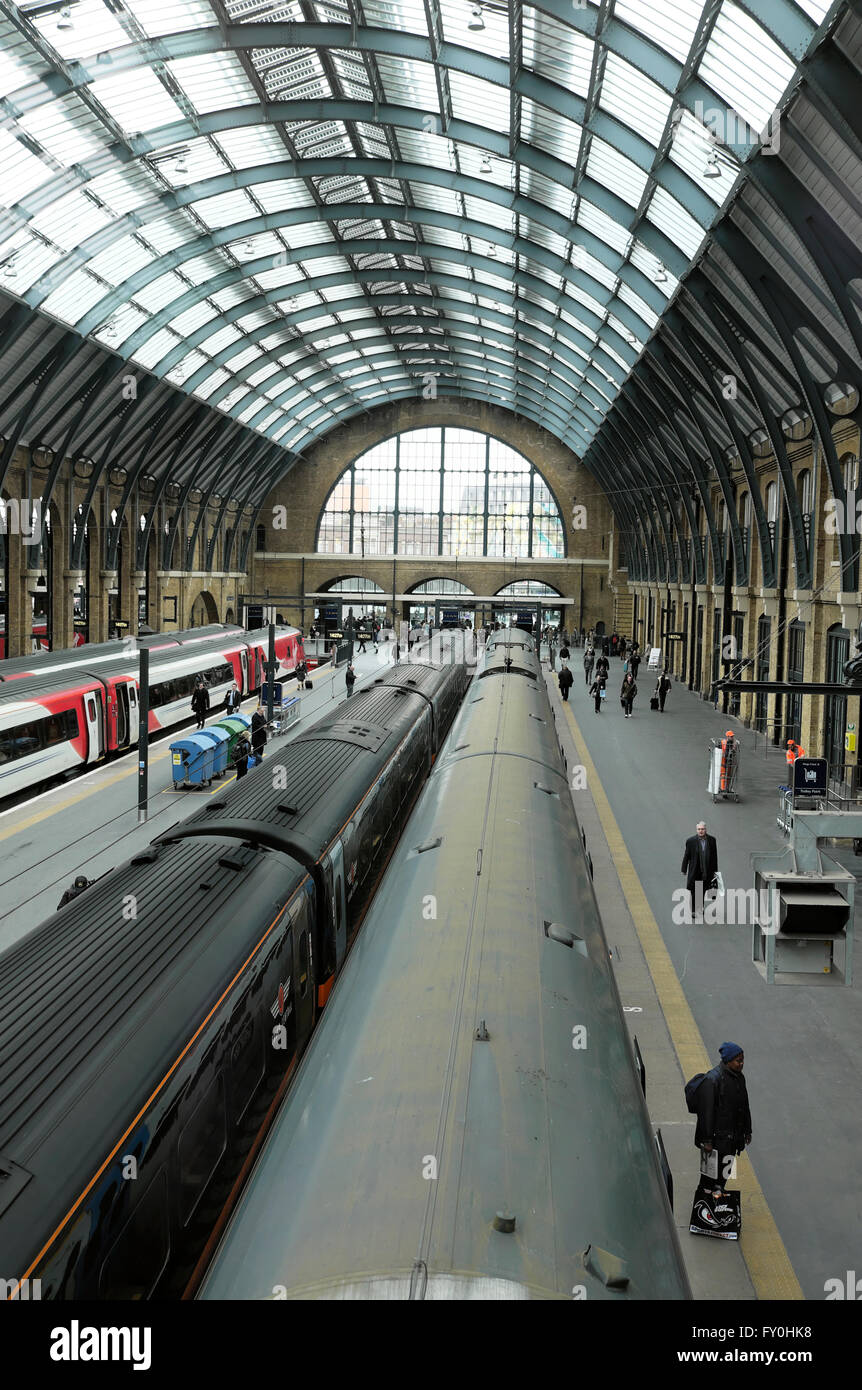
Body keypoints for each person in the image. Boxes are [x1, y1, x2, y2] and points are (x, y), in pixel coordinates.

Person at [694, 1043, 752, 1196]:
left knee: (724, 1174)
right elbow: (706, 1113)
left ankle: (719, 1198)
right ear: (728, 1061)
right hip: (714, 1141)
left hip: (732, 1140)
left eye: (742, 1060)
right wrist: (707, 1140)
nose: (742, 1063)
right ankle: (703, 1208)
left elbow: (744, 1105)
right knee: (708, 1178)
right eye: (738, 1061)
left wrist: (747, 1130)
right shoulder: (713, 1079)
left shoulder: (740, 1078)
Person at [681, 820, 719, 923]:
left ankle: (699, 907)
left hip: (707, 870)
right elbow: (687, 856)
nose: (701, 831)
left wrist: (716, 872)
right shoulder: (691, 841)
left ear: (706, 829)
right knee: (695, 890)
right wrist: (684, 869)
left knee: (703, 890)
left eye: (702, 829)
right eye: (699, 829)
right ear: (696, 830)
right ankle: (695, 910)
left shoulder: (712, 840)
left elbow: (714, 857)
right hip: (695, 870)